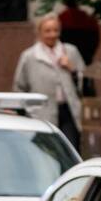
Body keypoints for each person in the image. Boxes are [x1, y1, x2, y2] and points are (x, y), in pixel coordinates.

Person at [13, 12, 85, 149]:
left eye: (55, 30)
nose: (52, 34)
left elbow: (86, 83)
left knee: (69, 148)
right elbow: (19, 87)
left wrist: (72, 69)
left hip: (68, 110)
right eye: (47, 31)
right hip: (43, 112)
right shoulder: (29, 56)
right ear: (39, 32)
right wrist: (28, 112)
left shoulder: (70, 51)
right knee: (46, 149)